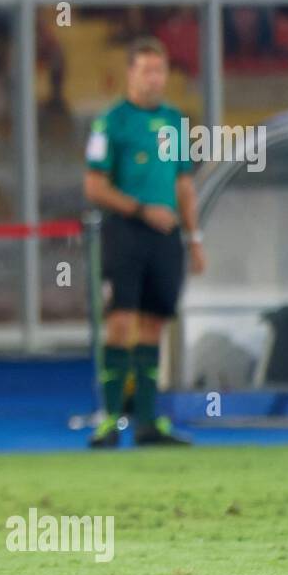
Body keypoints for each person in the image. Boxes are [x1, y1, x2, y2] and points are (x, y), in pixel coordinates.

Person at [83, 37, 205, 448]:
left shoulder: (175, 121)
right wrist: (140, 210)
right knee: (120, 323)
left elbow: (184, 184)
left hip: (166, 237)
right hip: (125, 232)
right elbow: (94, 186)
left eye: (160, 70)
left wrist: (194, 237)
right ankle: (110, 420)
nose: (155, 78)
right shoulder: (111, 122)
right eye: (146, 70)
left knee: (154, 324)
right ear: (130, 74)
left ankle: (148, 423)